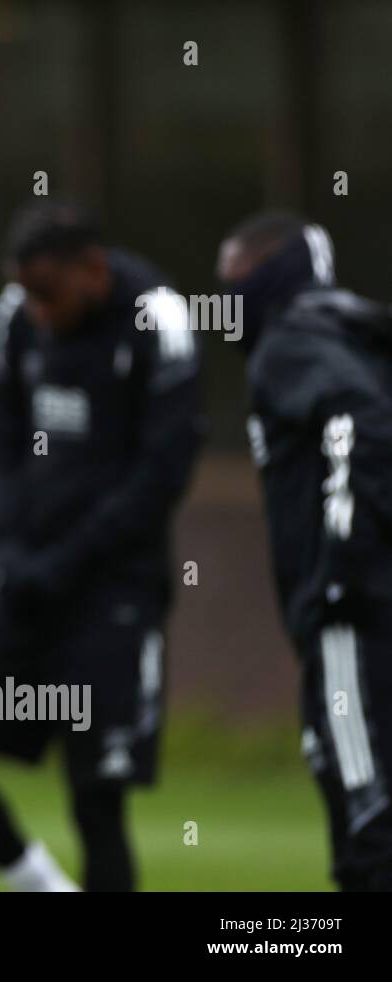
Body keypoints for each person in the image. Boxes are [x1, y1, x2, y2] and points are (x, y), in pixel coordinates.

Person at [0, 202, 202, 891]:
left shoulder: (157, 316)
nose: (37, 310)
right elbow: (0, 445)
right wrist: (10, 546)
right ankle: (42, 886)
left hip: (113, 593)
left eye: (49, 294)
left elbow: (163, 473)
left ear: (92, 271)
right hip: (27, 586)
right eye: (28, 293)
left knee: (98, 795)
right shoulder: (16, 312)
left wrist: (66, 560)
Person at [218, 211, 392, 891]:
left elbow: (359, 422)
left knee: (366, 807)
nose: (226, 292)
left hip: (352, 616)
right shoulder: (354, 332)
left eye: (239, 272)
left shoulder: (292, 341)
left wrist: (341, 570)